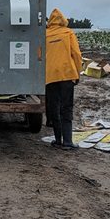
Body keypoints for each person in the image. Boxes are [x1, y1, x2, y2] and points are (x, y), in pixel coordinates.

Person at [45, 8, 83, 149]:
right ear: (63, 20)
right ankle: (67, 142)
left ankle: (58, 140)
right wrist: (77, 73)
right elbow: (77, 54)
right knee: (66, 107)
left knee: (54, 107)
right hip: (67, 75)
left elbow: (39, 55)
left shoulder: (44, 35)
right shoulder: (68, 33)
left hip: (50, 77)